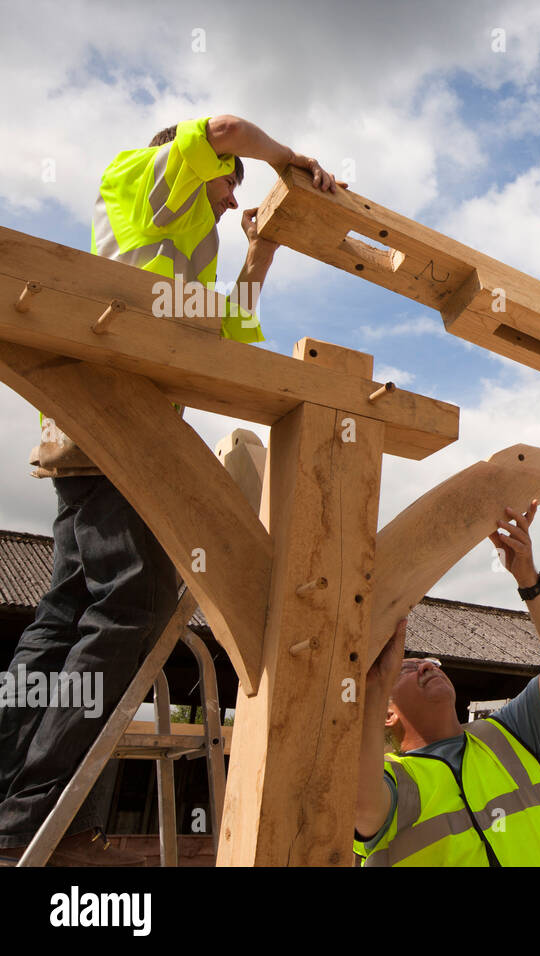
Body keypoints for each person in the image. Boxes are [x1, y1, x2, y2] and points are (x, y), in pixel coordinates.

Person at [0, 116, 342, 866]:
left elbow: (230, 324)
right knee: (134, 606)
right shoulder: (146, 179)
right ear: (196, 163)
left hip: (96, 429)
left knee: (68, 612)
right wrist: (290, 160)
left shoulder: (185, 249)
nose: (228, 201)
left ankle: (11, 799)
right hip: (117, 422)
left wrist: (263, 245)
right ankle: (29, 817)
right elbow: (223, 122)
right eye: (229, 182)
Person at [355, 500, 540, 867]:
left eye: (429, 663)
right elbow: (363, 808)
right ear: (387, 713)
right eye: (406, 669)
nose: (425, 668)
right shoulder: (395, 780)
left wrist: (528, 580)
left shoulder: (508, 736)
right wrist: (374, 687)